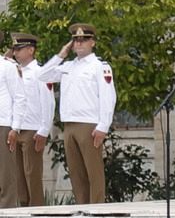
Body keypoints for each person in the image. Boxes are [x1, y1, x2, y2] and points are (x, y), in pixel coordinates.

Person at [34, 26, 116, 203]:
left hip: (89, 124)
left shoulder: (99, 67)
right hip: (69, 125)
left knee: (93, 171)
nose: (79, 43)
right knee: (76, 172)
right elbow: (41, 76)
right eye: (76, 40)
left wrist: (103, 126)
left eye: (84, 39)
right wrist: (60, 55)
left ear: (92, 42)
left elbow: (108, 97)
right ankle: (82, 206)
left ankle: (97, 208)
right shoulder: (68, 66)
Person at [5, 34, 51, 206]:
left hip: (33, 128)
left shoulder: (40, 72)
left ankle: (37, 210)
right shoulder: (14, 70)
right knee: (17, 175)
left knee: (32, 174)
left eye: (19, 49)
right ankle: (23, 209)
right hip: (16, 128)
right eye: (14, 49)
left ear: (31, 50)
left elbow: (48, 102)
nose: (15, 52)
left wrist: (44, 130)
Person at [0, 31, 23, 208]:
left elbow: (19, 97)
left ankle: (7, 212)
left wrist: (15, 128)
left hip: (3, 124)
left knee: (5, 174)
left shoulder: (7, 66)